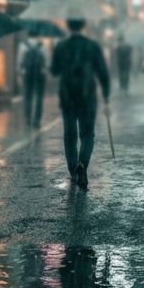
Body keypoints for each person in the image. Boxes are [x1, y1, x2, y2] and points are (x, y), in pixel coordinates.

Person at [50, 19, 111, 189]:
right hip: (87, 96)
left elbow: (54, 70)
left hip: (68, 96)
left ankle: (73, 169)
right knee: (87, 134)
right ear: (83, 26)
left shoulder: (62, 46)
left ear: (69, 26)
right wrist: (106, 93)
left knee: (70, 134)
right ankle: (82, 165)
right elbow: (102, 72)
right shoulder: (92, 46)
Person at [21, 37, 47, 128]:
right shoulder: (42, 45)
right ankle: (37, 119)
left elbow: (19, 61)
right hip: (39, 74)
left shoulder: (23, 45)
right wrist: (44, 71)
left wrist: (21, 71)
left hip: (27, 74)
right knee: (39, 97)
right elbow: (47, 60)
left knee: (28, 96)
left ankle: (28, 118)